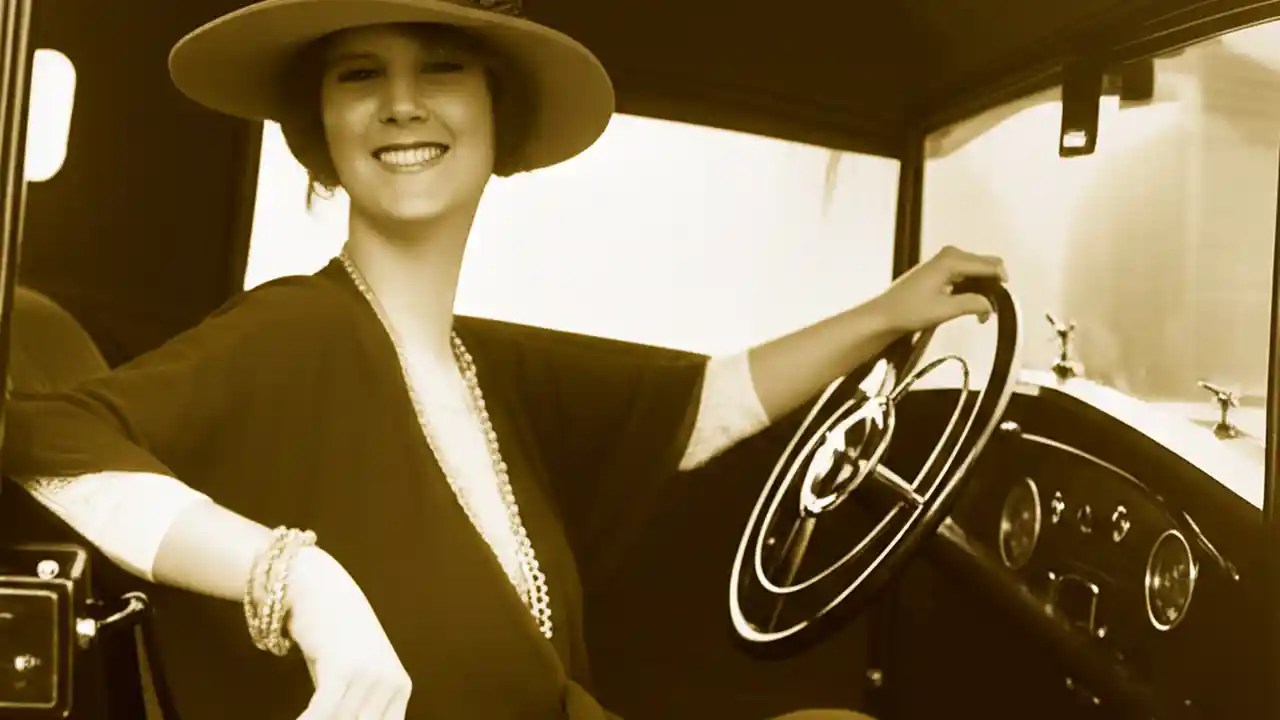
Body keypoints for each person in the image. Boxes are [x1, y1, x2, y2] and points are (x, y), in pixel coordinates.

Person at [1, 0, 1007, 718]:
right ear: (321, 130)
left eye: (439, 65)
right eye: (360, 74)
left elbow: (700, 406)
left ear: (495, 111)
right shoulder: (294, 330)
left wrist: (885, 313)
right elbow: (43, 436)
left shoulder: (485, 374)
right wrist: (294, 575)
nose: (401, 104)